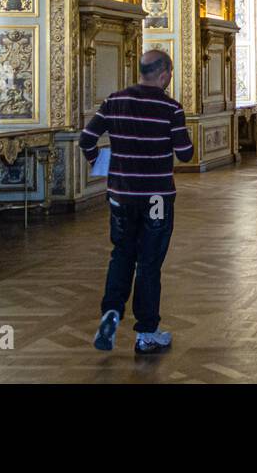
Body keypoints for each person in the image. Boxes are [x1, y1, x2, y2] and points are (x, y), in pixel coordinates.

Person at [82, 49, 193, 354]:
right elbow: (185, 153)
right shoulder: (170, 108)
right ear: (165, 74)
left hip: (120, 194)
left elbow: (86, 138)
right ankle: (146, 332)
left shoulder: (114, 101)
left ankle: (111, 312)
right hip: (156, 196)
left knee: (121, 254)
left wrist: (100, 163)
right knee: (148, 263)